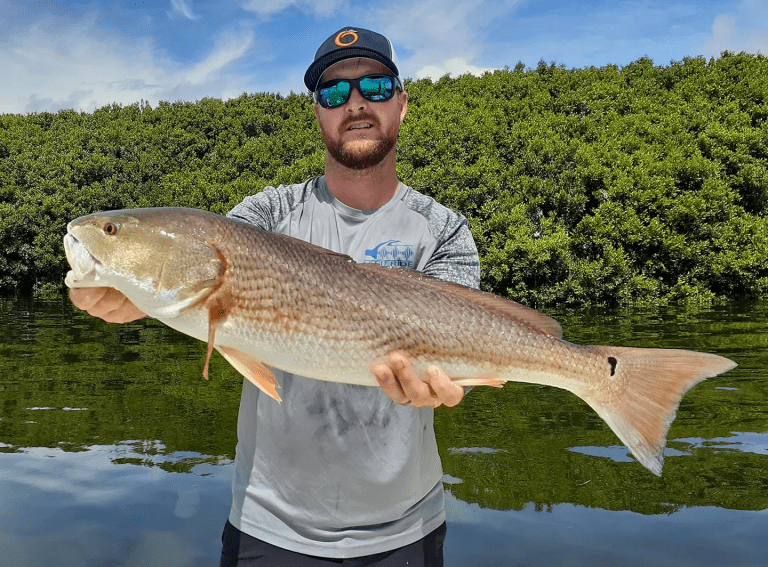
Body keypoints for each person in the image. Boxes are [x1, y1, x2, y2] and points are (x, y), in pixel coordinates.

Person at [70, 26, 480, 566]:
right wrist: (115, 292)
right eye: (333, 93)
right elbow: (180, 281)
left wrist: (451, 387)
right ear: (318, 113)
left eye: (374, 87)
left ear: (402, 104)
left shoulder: (443, 229)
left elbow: (466, 353)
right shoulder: (264, 216)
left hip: (407, 532)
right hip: (268, 531)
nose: (354, 104)